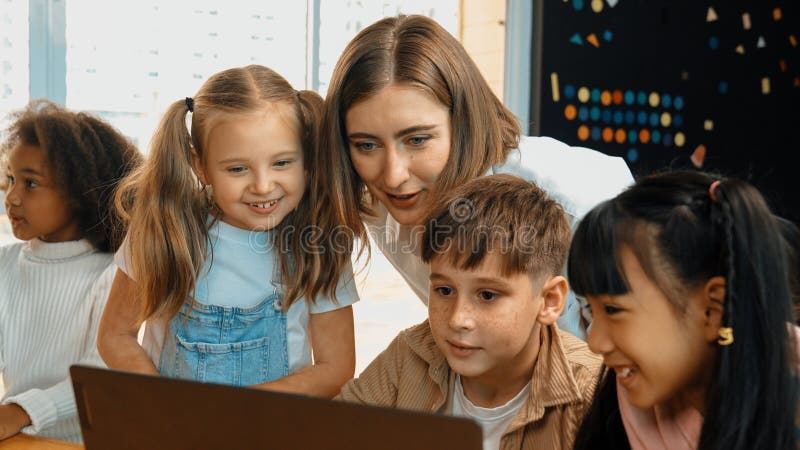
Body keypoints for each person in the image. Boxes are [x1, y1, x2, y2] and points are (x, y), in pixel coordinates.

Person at [319, 14, 634, 339]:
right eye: (367, 145)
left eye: (417, 140)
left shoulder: (580, 208)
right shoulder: (378, 197)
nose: (394, 175)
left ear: (464, 121)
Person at [97, 65, 358, 398]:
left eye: (282, 163)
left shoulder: (320, 243)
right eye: (238, 168)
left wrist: (236, 414)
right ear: (200, 166)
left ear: (306, 159)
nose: (263, 186)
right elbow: (115, 336)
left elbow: (335, 368)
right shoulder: (164, 231)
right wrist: (162, 403)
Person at [338, 174, 602, 450]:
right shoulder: (410, 355)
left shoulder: (591, 394)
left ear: (549, 300)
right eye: (444, 291)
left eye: (488, 295)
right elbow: (331, 433)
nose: (457, 319)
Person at [568, 171, 798, 449]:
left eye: (613, 310)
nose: (595, 343)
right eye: (591, 311)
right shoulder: (633, 401)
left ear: (714, 311)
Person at [0, 100, 142, 443]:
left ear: (81, 191)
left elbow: (101, 370)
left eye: (30, 183)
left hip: (87, 442)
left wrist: (21, 411)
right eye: (10, 179)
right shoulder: (5, 264)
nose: (12, 197)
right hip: (20, 438)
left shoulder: (116, 273)